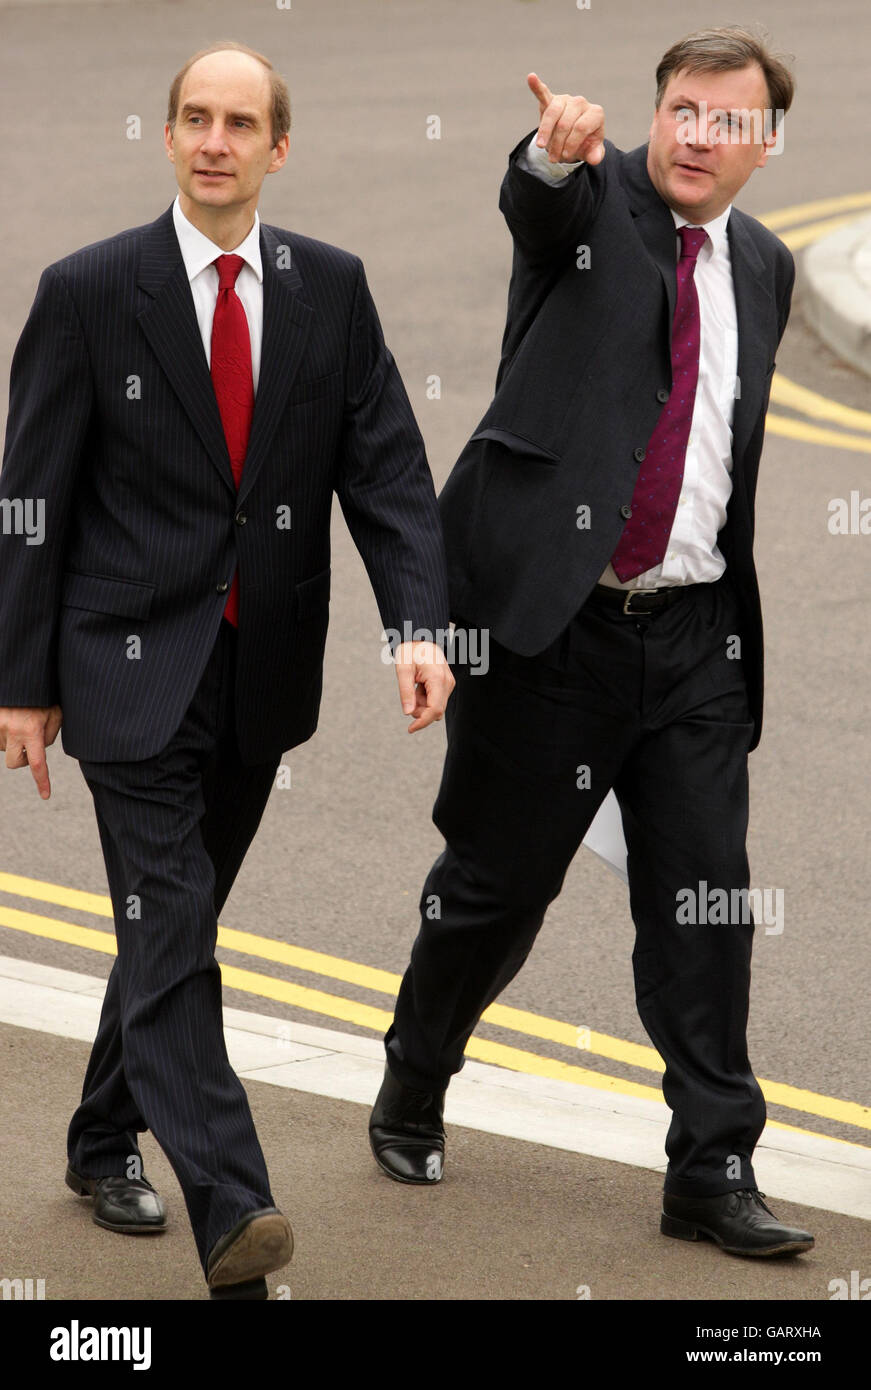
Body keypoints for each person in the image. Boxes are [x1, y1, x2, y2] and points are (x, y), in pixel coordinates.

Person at [0, 40, 452, 1298]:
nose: (213, 139)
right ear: (168, 137)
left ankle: (101, 1140)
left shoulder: (330, 287)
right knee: (174, 936)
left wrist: (417, 626)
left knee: (169, 929)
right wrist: (20, 683)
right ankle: (235, 1212)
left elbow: (389, 470)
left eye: (239, 122)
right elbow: (28, 499)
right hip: (124, 669)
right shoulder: (91, 289)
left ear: (277, 148)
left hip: (259, 676)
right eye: (193, 118)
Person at [370, 25, 815, 1259]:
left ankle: (712, 1163)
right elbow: (535, 202)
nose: (696, 135)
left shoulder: (767, 268)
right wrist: (548, 155)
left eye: (728, 121)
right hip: (550, 625)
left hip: (692, 638)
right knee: (498, 888)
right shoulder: (591, 202)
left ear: (763, 145)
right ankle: (416, 1068)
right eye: (681, 108)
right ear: (654, 113)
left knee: (704, 903)